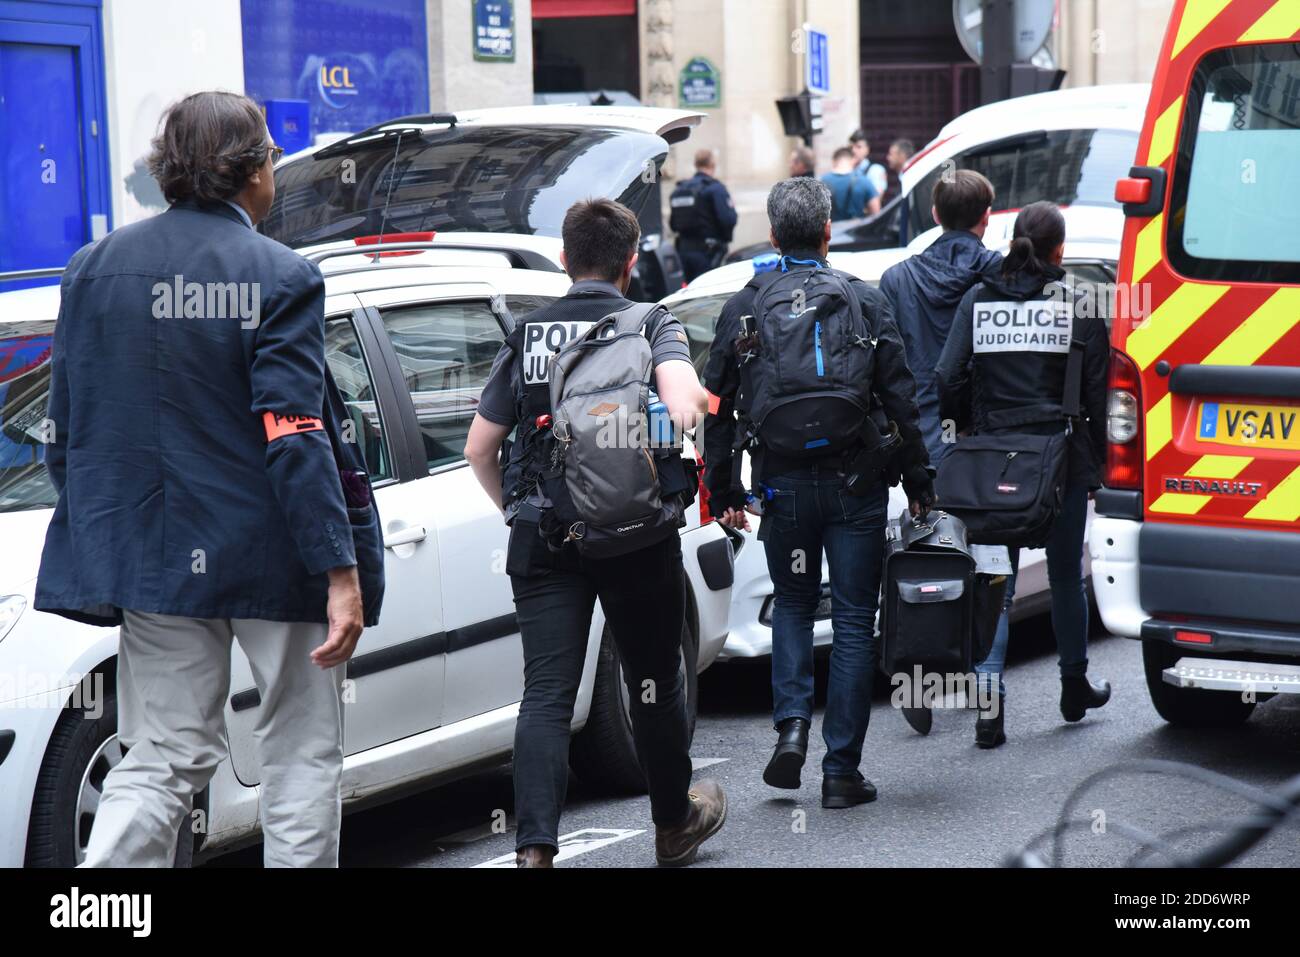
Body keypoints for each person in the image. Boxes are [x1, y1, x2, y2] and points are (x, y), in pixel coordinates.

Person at [35, 91, 384, 867]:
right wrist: (339, 568)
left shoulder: (92, 269)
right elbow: (295, 435)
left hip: (154, 560)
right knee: (298, 748)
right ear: (253, 171)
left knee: (159, 755)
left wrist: (109, 532)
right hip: (272, 555)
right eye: (271, 157)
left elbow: (68, 428)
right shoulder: (281, 274)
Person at [463, 198, 725, 868]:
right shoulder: (650, 323)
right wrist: (652, 440)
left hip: (546, 536)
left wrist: (519, 509)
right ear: (631, 262)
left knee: (547, 693)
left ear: (563, 259)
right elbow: (683, 406)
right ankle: (673, 823)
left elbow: (479, 448)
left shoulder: (529, 333)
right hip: (636, 536)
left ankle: (535, 851)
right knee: (654, 680)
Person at [703, 177, 932, 808]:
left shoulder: (744, 306)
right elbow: (901, 398)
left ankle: (792, 730)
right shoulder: (864, 300)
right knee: (856, 620)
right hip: (855, 485)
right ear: (828, 232)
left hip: (782, 489)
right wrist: (919, 482)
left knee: (796, 606)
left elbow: (716, 409)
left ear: (773, 236)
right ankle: (841, 772)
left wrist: (723, 488)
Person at [936, 201, 1112, 748]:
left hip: (995, 462)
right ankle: (1073, 685)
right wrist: (1095, 463)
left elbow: (946, 375)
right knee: (1064, 577)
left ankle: (990, 704)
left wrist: (968, 428)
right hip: (1061, 460)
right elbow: (1096, 398)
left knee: (997, 582)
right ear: (1059, 250)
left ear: (1013, 240)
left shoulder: (978, 299)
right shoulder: (1079, 305)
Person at [879, 170, 1002, 468]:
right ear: (987, 216)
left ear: (935, 214)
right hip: (988, 443)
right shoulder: (1001, 275)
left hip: (921, 444)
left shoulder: (896, 280)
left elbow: (885, 369)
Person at [671, 148, 738, 282]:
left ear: (696, 165)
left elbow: (673, 225)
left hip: (683, 253)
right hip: (708, 255)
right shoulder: (715, 188)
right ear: (713, 165)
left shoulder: (679, 190)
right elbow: (729, 219)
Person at [821, 147, 881, 221]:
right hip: (855, 231)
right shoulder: (864, 181)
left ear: (833, 161)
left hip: (832, 231)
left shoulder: (821, 182)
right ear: (853, 160)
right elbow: (876, 213)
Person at [850, 129, 888, 198]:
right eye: (850, 147)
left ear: (867, 149)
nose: (853, 150)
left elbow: (877, 198)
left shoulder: (876, 170)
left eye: (858, 147)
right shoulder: (847, 170)